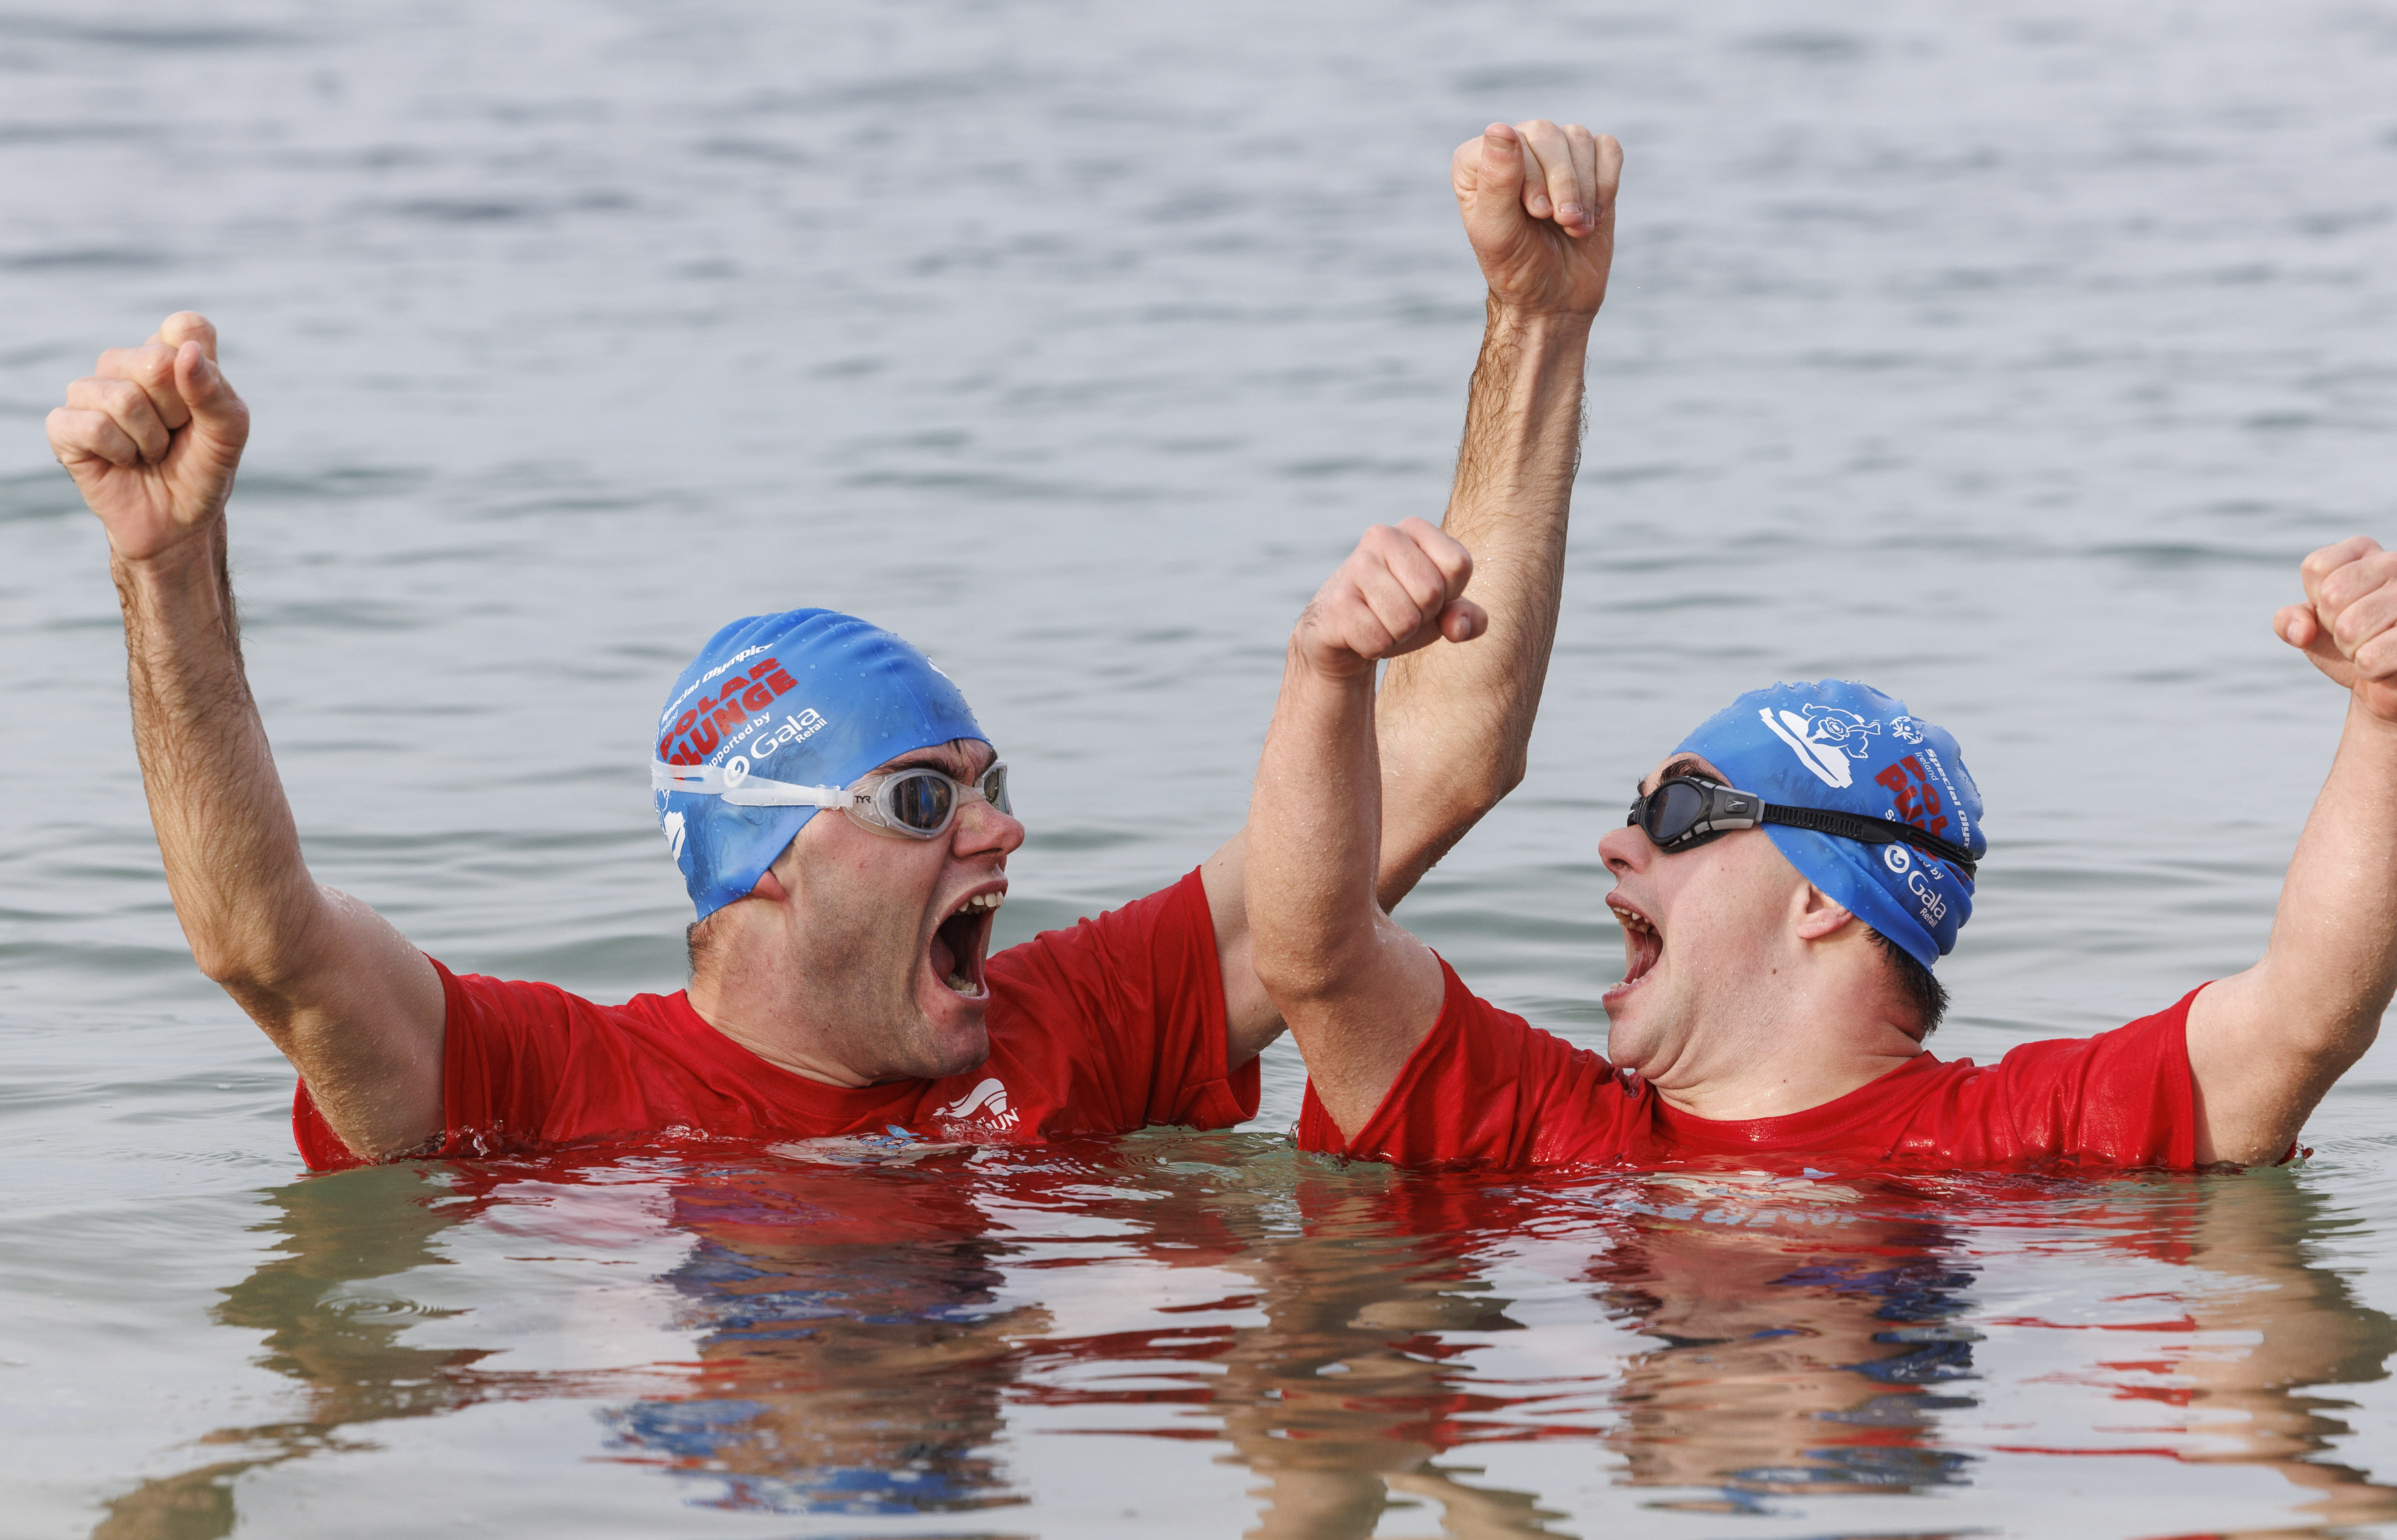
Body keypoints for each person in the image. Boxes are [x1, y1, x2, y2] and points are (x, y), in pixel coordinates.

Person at [45, 120, 1625, 1170]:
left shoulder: (1073, 1020)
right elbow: (265, 943)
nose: (1005, 829)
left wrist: (1536, 330)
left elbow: (1434, 758)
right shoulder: (549, 1093)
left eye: (991, 781)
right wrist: (171, 570)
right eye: (928, 802)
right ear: (766, 860)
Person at [1245, 525, 2397, 1170]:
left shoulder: (2023, 1135)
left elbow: (2309, 1009)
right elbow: (1314, 954)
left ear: (1827, 900)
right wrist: (1327, 672)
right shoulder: (1542, 1124)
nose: (1612, 843)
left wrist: (2384, 719)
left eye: (1678, 815)